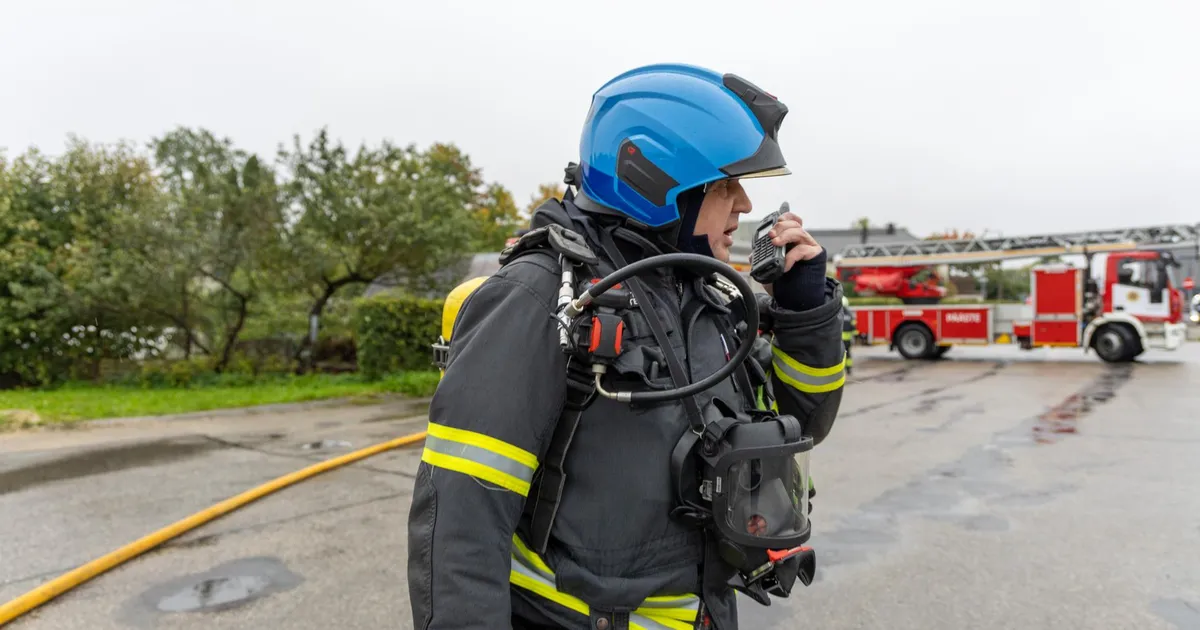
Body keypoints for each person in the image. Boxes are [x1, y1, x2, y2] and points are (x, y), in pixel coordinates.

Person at [407, 63, 847, 630]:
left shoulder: (704, 299)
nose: (742, 204)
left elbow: (800, 421)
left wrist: (806, 310)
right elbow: (461, 524)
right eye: (724, 184)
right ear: (658, 182)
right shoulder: (538, 296)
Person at [841, 295, 856, 375]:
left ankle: (841, 369)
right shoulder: (850, 314)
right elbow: (853, 327)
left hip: (839, 340)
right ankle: (849, 369)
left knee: (840, 355)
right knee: (848, 354)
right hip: (848, 340)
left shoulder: (838, 314)